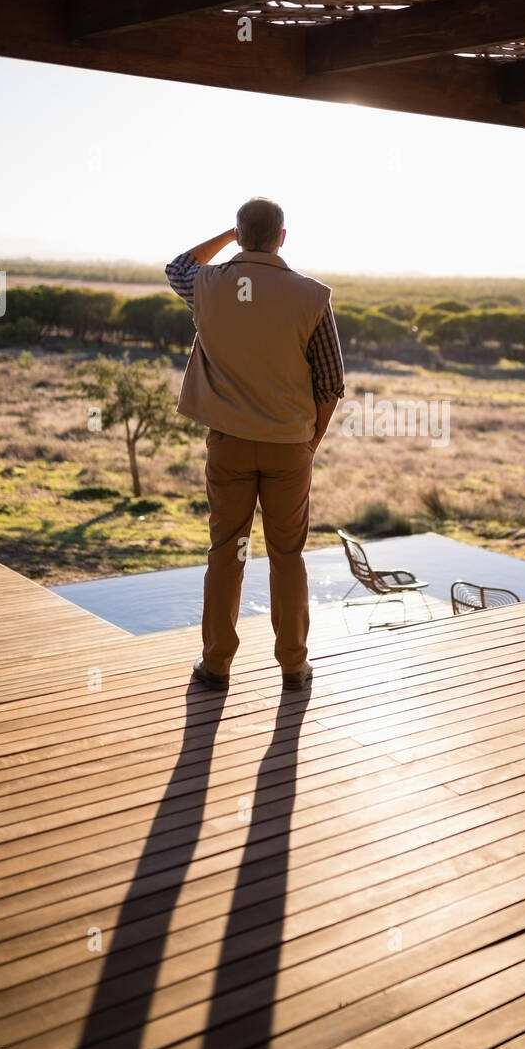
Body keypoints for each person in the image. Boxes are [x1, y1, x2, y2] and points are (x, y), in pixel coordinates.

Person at [165, 197, 344, 691]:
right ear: (283, 237)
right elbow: (332, 383)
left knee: (227, 551)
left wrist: (228, 237)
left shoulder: (208, 285)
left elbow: (177, 266)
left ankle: (216, 665)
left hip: (229, 445)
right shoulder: (310, 295)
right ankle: (293, 666)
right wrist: (310, 443)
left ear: (240, 236)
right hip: (290, 446)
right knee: (287, 556)